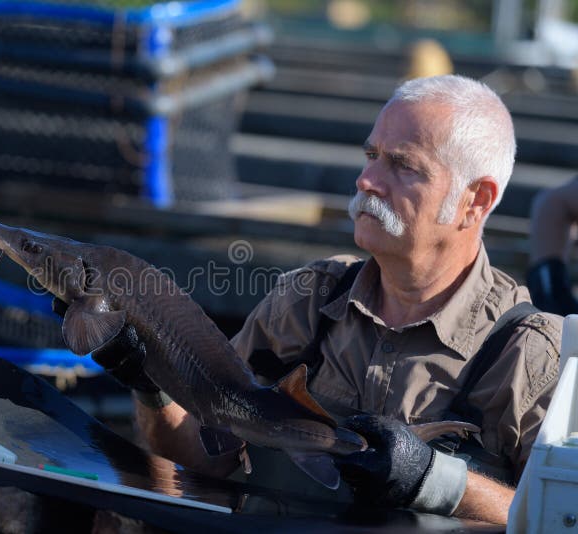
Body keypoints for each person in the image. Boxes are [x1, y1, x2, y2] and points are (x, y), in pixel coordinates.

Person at [59, 75, 562, 526]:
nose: (367, 181)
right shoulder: (306, 301)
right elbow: (201, 459)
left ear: (476, 201)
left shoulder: (529, 356)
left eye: (403, 166)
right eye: (371, 156)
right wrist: (152, 384)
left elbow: (564, 516)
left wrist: (435, 481)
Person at [526, 175, 578, 315]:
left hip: (546, 270)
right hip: (548, 270)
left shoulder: (557, 194)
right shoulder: (560, 196)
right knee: (556, 320)